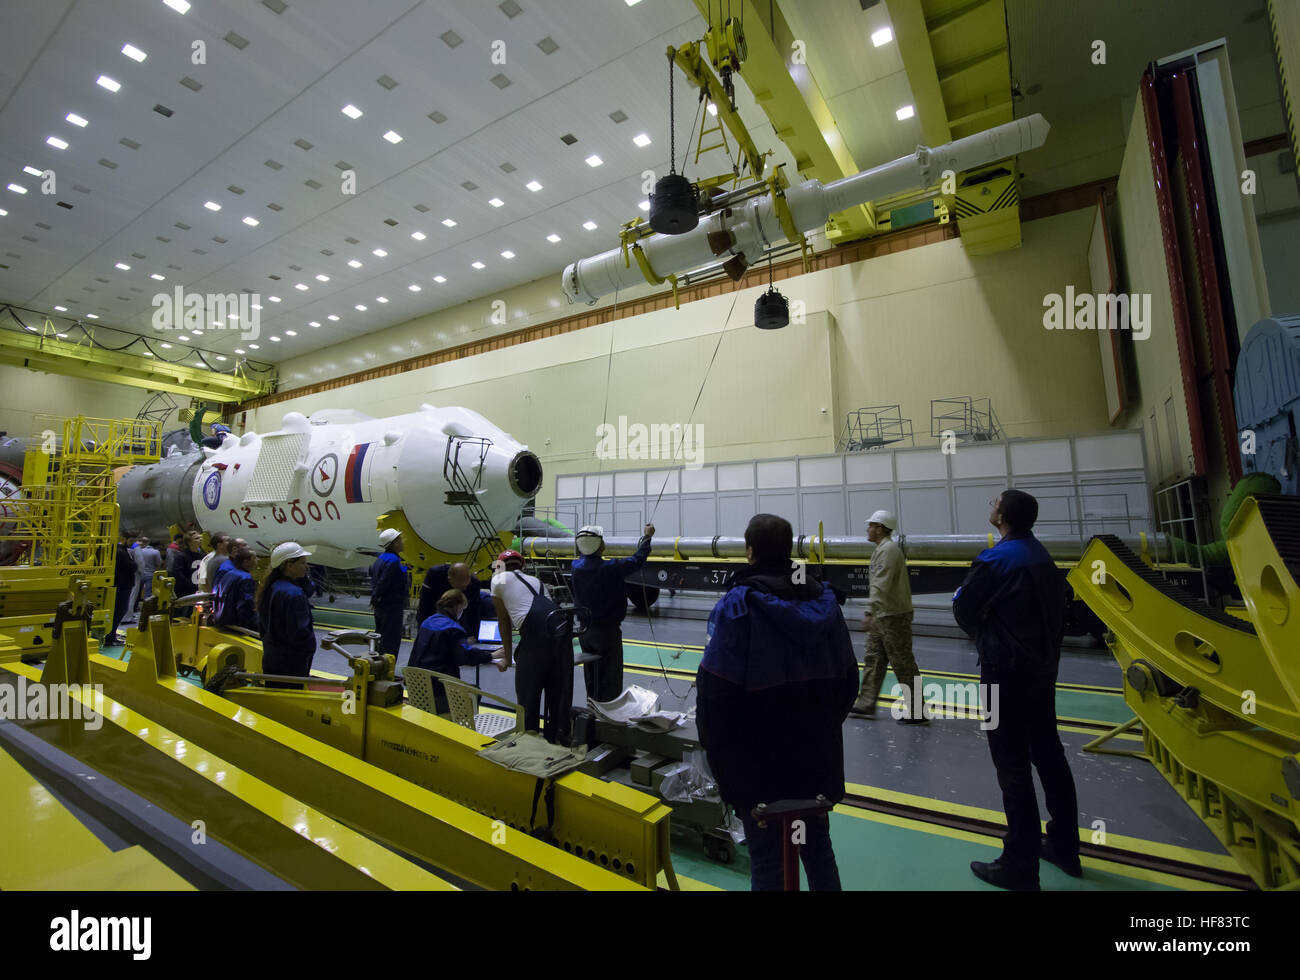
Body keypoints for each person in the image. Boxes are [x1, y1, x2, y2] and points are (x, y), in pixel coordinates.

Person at [697, 514, 859, 891]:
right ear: (789, 550)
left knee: (768, 862)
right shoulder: (825, 602)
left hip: (758, 769)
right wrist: (820, 728)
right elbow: (849, 683)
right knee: (816, 849)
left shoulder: (738, 606)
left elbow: (714, 697)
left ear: (750, 551)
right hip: (815, 763)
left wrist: (722, 766)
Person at [953, 489, 1080, 891]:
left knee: (1012, 766)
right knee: (1049, 756)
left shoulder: (996, 559)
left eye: (994, 503)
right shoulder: (1042, 556)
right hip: (1042, 672)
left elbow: (963, 609)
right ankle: (1064, 845)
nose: (991, 506)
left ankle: (1019, 865)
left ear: (1003, 515)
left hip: (1003, 673)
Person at [490, 550, 573, 745]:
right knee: (556, 695)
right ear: (523, 565)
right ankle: (556, 739)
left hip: (535, 640)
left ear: (500, 566)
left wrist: (507, 656)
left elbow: (503, 621)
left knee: (528, 696)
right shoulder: (536, 581)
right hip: (561, 638)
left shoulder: (498, 579)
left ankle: (530, 743)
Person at [852, 510, 927, 723]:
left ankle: (917, 711)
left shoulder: (889, 550)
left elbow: (881, 584)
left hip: (893, 616)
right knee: (874, 659)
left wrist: (869, 611)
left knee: (902, 662)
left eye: (871, 525)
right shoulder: (882, 549)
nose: (868, 529)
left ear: (880, 528)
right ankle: (866, 703)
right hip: (883, 614)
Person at [570, 523, 653, 702]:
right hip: (606, 633)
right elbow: (638, 559)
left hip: (585, 632)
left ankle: (592, 705)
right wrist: (647, 537)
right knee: (610, 677)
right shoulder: (610, 568)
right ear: (600, 544)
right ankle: (608, 711)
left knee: (591, 672)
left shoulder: (575, 566)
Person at [409, 589, 505, 713]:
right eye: (463, 609)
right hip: (440, 692)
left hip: (418, 690)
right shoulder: (453, 629)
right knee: (475, 692)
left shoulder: (427, 622)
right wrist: (491, 655)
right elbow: (466, 657)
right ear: (458, 607)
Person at [257, 542, 317, 686]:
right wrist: (308, 650)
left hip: (272, 655)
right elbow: (299, 632)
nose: (306, 567)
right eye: (302, 563)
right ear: (288, 565)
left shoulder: (271, 587)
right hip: (291, 662)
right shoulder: (294, 594)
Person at [415, 561, 493, 636]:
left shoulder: (473, 584)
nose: (465, 589)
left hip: (459, 611)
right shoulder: (434, 575)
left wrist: (471, 635)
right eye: (461, 587)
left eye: (466, 585)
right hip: (436, 607)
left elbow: (473, 612)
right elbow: (424, 606)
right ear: (450, 579)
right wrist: (424, 632)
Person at [369, 528, 408, 658]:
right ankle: (387, 667)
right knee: (391, 641)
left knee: (381, 637)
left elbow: (377, 580)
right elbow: (384, 582)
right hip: (391, 607)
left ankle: (378, 664)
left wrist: (374, 600)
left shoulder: (381, 558)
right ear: (394, 543)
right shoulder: (393, 561)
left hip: (381, 607)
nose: (402, 542)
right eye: (400, 539)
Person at [214, 547, 259, 631]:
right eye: (255, 558)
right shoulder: (246, 578)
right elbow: (245, 606)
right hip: (236, 625)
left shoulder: (229, 574)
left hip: (222, 621)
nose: (257, 560)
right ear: (246, 562)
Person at [110, 530, 137, 643]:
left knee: (118, 610)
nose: (132, 543)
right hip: (122, 585)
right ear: (124, 539)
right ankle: (110, 637)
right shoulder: (121, 552)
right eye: (131, 540)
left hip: (121, 584)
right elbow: (132, 567)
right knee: (119, 610)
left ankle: (111, 635)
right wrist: (134, 564)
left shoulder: (120, 550)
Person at [129, 536, 163, 615]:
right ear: (148, 542)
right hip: (150, 574)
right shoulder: (155, 552)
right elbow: (158, 563)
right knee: (148, 593)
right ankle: (145, 610)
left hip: (139, 574)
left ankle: (134, 607)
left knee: (136, 592)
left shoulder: (137, 550)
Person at [167, 530, 203, 598]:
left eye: (200, 537)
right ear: (189, 542)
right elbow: (178, 575)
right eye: (197, 538)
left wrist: (201, 586)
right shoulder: (181, 557)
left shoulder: (201, 556)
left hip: (198, 591)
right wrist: (191, 586)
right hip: (184, 592)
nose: (200, 539)